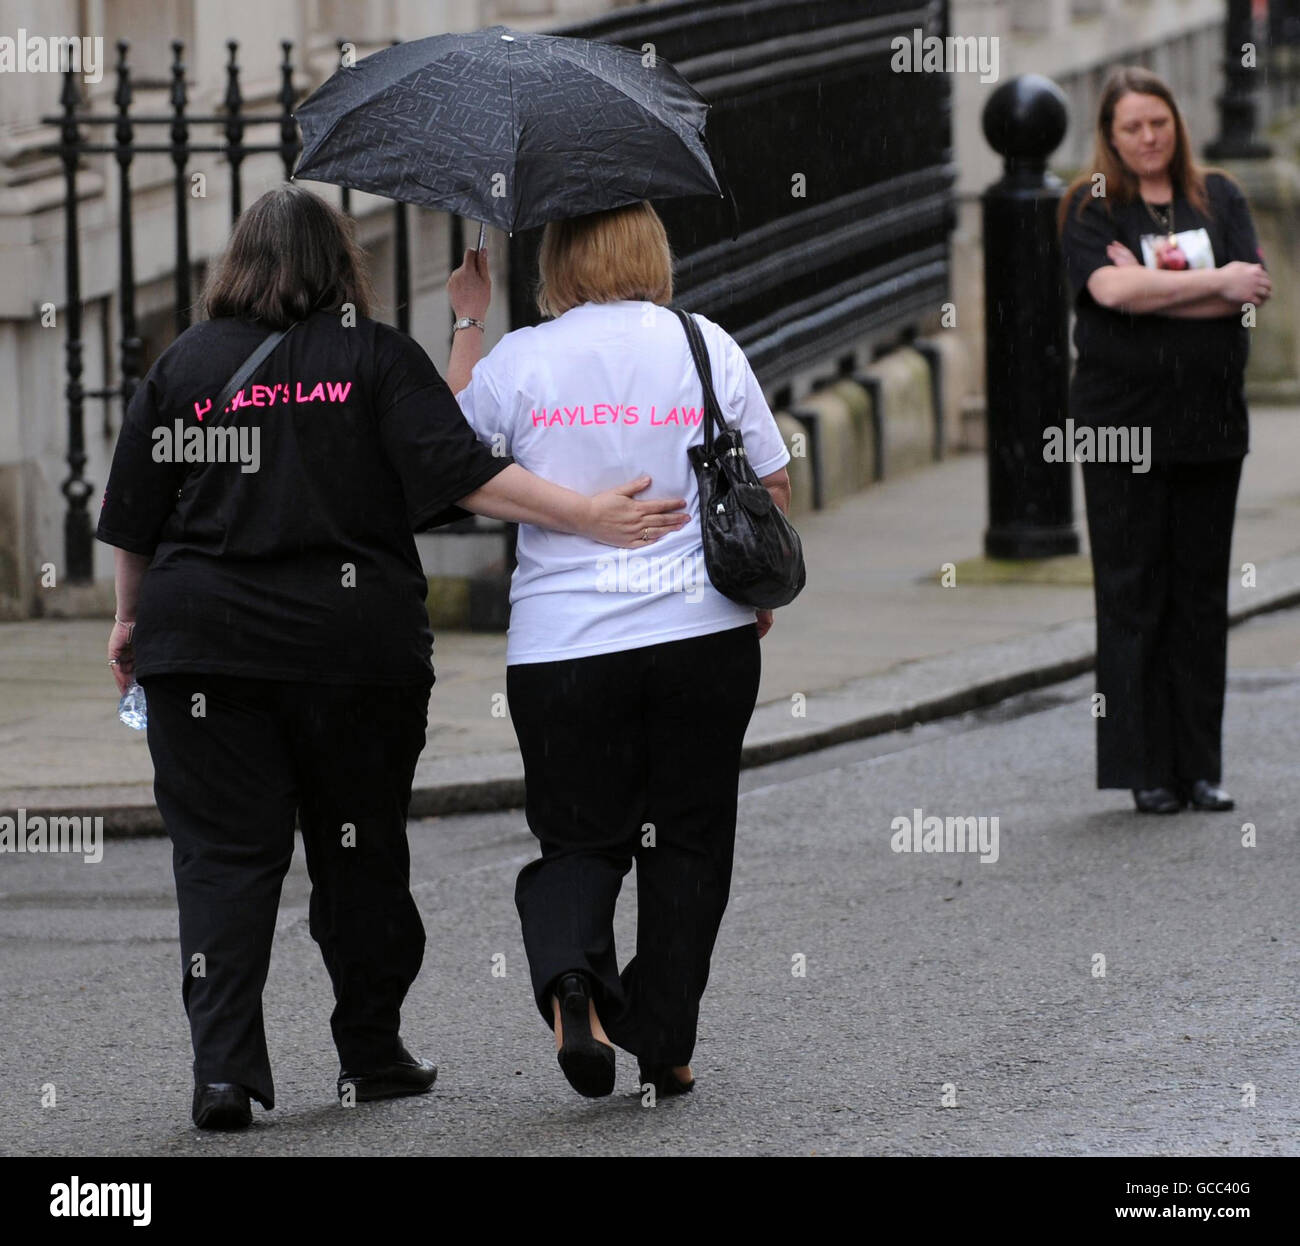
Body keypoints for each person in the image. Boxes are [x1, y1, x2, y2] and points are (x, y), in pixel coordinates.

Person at [96, 184, 689, 1130]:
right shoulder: (373, 359)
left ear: (235, 266)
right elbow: (461, 471)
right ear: (343, 268)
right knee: (360, 852)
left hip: (202, 649)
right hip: (353, 654)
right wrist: (583, 510)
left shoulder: (185, 366)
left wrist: (130, 623)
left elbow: (133, 519)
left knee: (221, 862)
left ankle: (224, 1074)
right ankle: (370, 1050)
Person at [446, 201, 792, 1098]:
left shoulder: (520, 358)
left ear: (555, 259)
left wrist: (469, 322)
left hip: (563, 648)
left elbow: (446, 466)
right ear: (652, 251)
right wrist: (751, 591)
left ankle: (573, 982)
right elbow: (775, 478)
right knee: (689, 840)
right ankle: (665, 1040)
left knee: (576, 836)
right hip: (700, 635)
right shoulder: (704, 343)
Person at [1057, 67, 1271, 815]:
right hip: (1121, 428)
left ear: (1177, 124)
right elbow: (1109, 295)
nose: (1148, 138)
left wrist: (1154, 290)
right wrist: (1209, 284)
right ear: (1109, 137)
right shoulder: (1091, 207)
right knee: (1132, 590)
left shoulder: (1220, 197)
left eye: (1159, 123)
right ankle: (1143, 768)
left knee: (1201, 597)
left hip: (1211, 426)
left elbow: (1251, 291)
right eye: (1132, 128)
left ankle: (1199, 768)